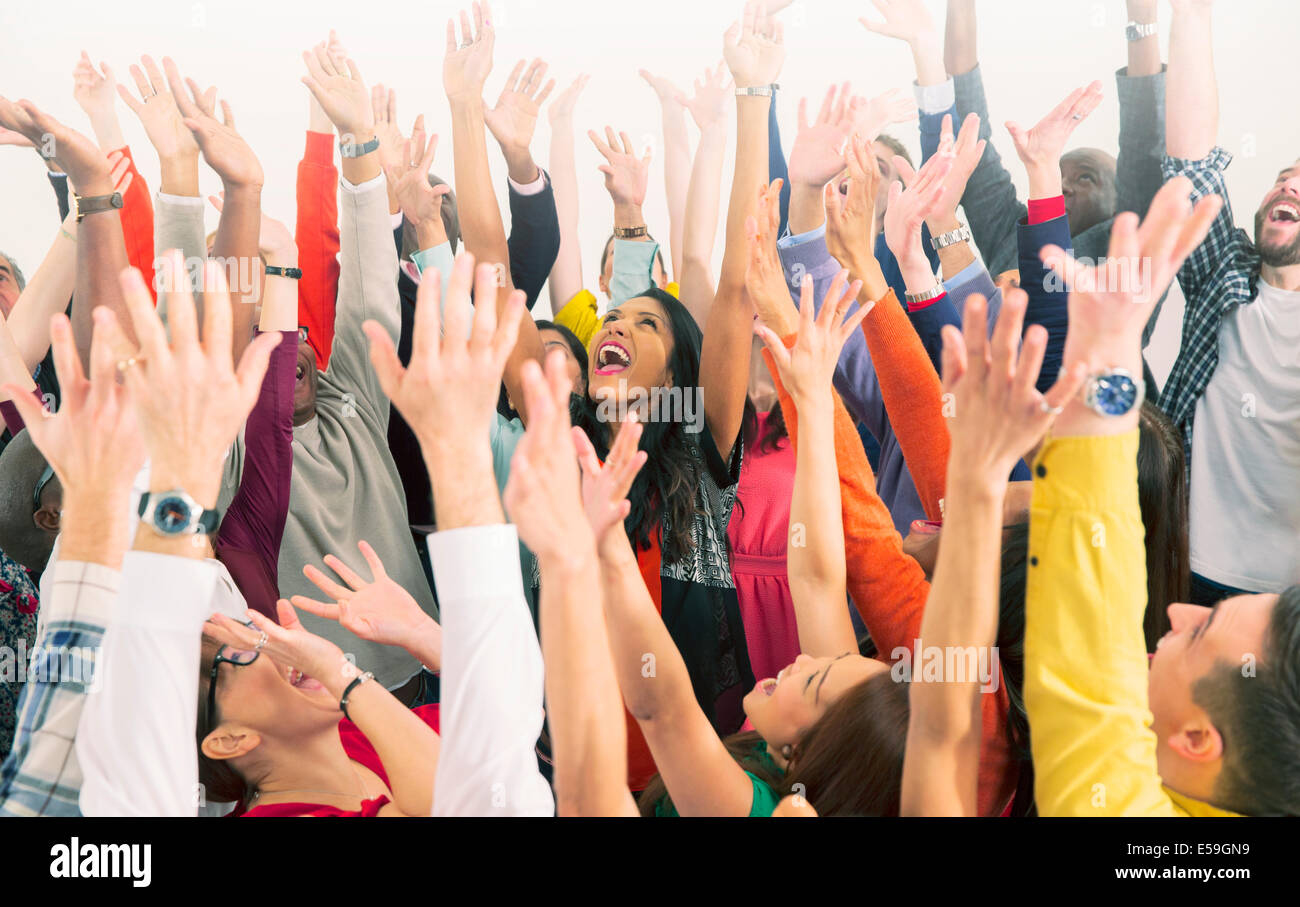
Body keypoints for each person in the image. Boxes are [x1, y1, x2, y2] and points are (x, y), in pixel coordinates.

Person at [1158, 0, 1300, 604]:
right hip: (1190, 564)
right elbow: (1191, 165)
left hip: (1288, 597)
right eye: (1285, 176)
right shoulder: (1226, 272)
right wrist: (1192, 17)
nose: (1289, 185)